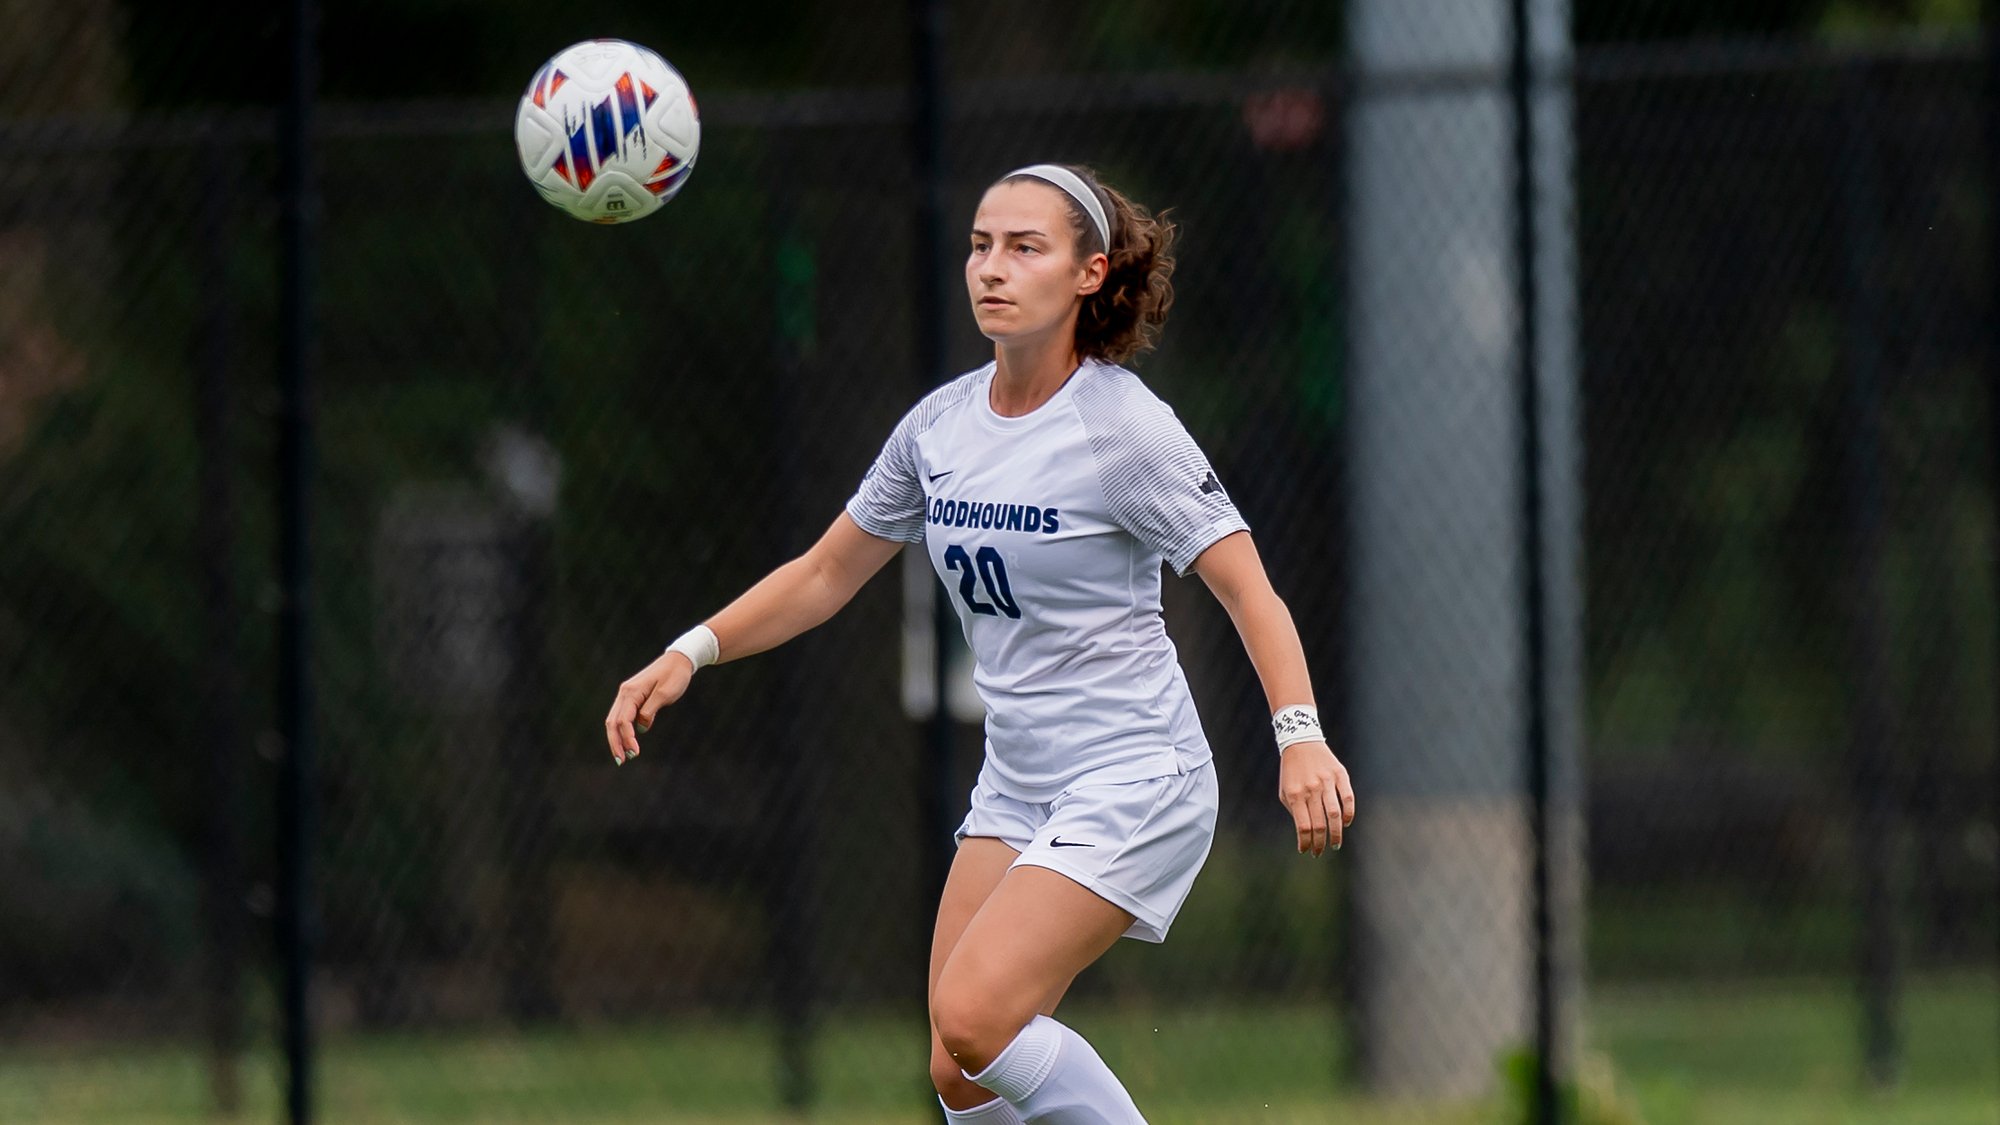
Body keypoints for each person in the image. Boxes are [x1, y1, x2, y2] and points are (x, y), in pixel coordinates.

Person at [604, 163, 1355, 1123]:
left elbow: (1252, 593)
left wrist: (1300, 735)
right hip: (1018, 782)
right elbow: (826, 573)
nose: (991, 268)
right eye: (979, 244)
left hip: (1135, 774)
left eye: (1024, 247)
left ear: (1090, 274)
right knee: (959, 1068)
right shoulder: (941, 427)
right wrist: (689, 651)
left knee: (976, 1013)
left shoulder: (1123, 429)